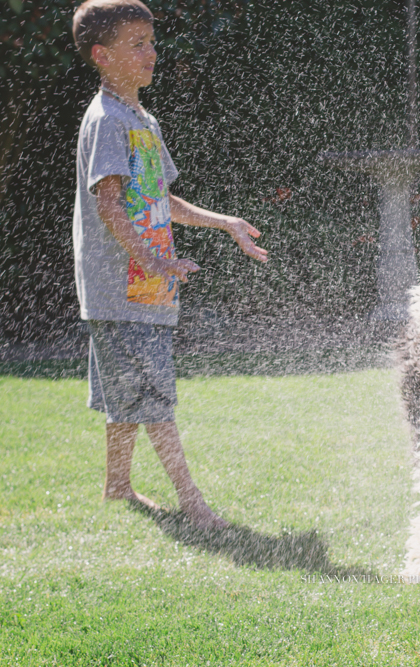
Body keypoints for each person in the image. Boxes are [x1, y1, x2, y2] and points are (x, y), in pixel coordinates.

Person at [72, 0, 268, 529]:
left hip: (147, 282)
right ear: (102, 55)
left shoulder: (142, 119)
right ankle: (193, 503)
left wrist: (223, 221)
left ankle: (118, 487)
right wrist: (155, 258)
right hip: (124, 285)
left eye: (151, 42)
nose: (151, 53)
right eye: (137, 44)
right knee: (153, 393)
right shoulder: (107, 119)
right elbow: (108, 203)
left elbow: (164, 200)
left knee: (130, 389)